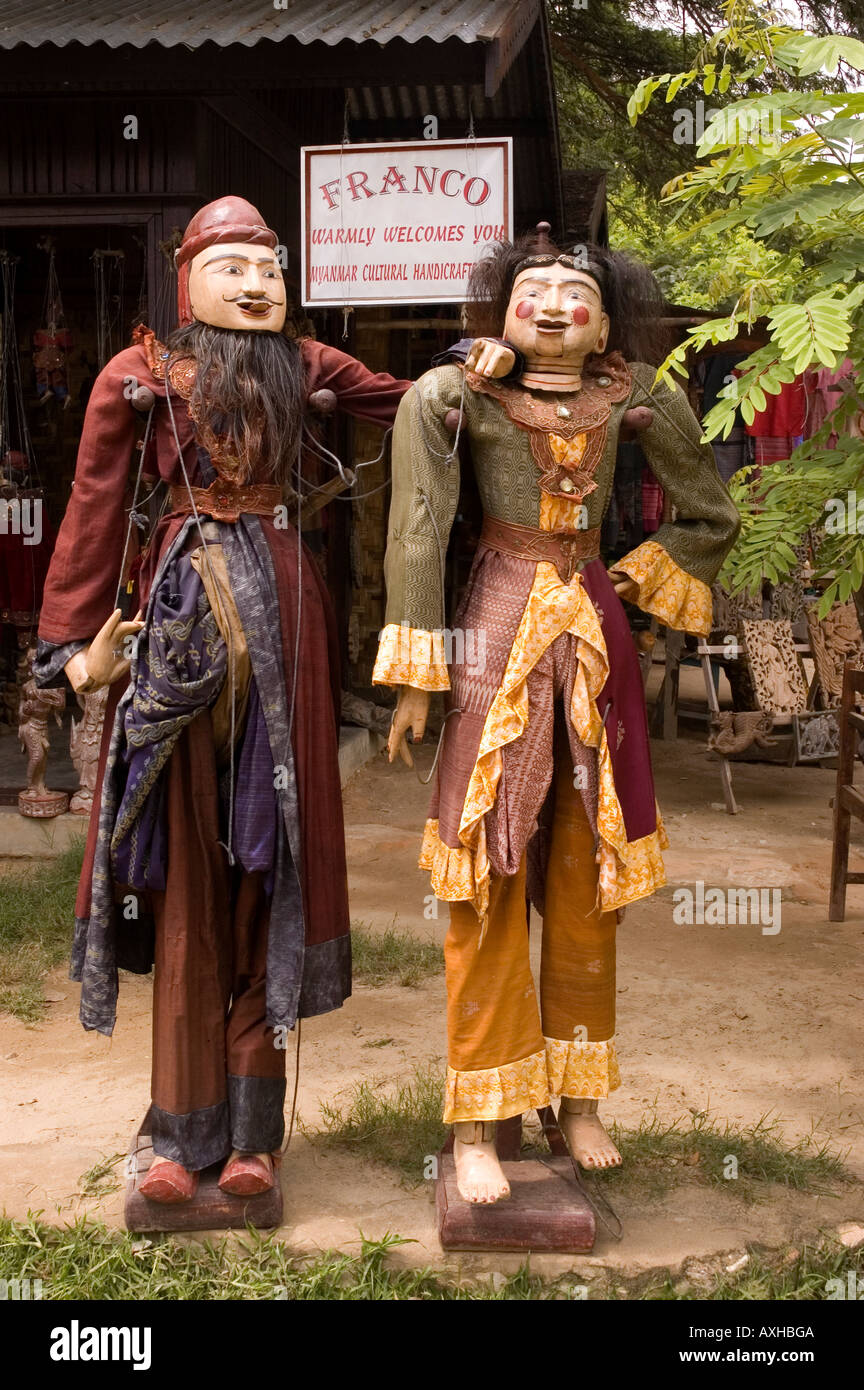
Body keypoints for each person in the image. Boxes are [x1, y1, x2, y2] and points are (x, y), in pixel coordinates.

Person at [34, 196, 411, 1204]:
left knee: (269, 870)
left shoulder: (309, 366)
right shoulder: (137, 375)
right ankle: (176, 1134)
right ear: (186, 277)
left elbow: (416, 403)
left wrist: (491, 366)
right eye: (231, 264)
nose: (255, 283)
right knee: (187, 882)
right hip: (177, 628)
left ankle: (255, 1136)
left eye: (269, 267)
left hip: (289, 626)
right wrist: (68, 642)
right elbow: (92, 503)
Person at [374, 225, 741, 1205]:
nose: (549, 305)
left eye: (573, 294)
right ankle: (479, 1121)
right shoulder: (459, 398)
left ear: (606, 323)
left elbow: (713, 510)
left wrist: (644, 582)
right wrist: (418, 673)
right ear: (498, 312)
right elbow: (417, 520)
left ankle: (576, 1102)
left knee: (587, 867)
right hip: (495, 631)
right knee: (487, 867)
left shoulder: (634, 397)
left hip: (595, 635)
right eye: (529, 290)